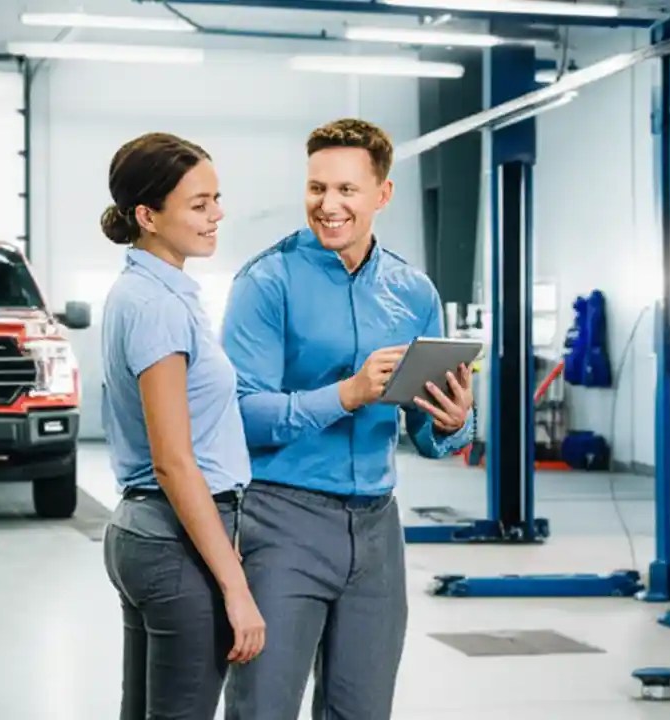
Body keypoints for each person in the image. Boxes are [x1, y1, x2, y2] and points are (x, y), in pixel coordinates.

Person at [220, 118, 476, 720]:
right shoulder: (267, 280)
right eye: (316, 188)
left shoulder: (414, 292)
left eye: (346, 190)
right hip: (282, 521)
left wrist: (452, 421)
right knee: (264, 708)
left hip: (379, 529)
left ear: (382, 195)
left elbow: (427, 425)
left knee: (363, 710)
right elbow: (235, 413)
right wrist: (348, 394)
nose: (327, 206)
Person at [98, 132, 266, 720]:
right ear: (148, 215)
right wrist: (237, 589)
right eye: (199, 204)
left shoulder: (144, 291)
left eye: (216, 198)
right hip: (177, 542)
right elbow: (174, 460)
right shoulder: (159, 307)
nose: (217, 214)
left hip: (145, 534)